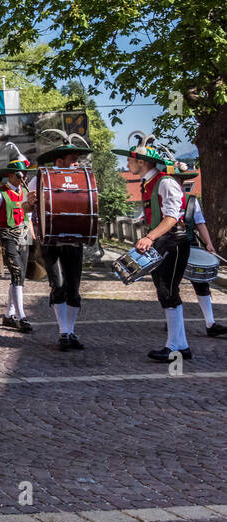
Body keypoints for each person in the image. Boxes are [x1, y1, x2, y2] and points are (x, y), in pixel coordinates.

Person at [113, 140, 194, 363]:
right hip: (164, 241)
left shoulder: (165, 182)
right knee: (164, 290)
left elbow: (172, 218)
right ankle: (181, 345)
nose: (127, 162)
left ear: (142, 162)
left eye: (130, 159)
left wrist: (150, 237)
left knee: (168, 290)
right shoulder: (149, 182)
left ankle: (174, 347)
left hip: (174, 241)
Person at [30, 142, 94, 351]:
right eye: (73, 159)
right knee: (58, 285)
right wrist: (29, 202)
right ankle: (63, 332)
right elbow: (24, 206)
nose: (77, 163)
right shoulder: (39, 179)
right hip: (50, 240)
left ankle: (71, 331)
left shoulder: (81, 180)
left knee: (74, 289)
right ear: (59, 161)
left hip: (74, 239)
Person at [0, 159, 35, 333]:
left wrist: (34, 238)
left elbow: (28, 216)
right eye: (21, 174)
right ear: (11, 175)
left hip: (24, 235)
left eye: (26, 174)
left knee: (19, 276)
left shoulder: (25, 194)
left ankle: (8, 314)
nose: (24, 177)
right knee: (17, 272)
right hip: (7, 236)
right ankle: (21, 317)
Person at [180, 168, 225, 337]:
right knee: (169, 285)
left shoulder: (192, 201)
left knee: (201, 282)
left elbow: (200, 224)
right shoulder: (161, 197)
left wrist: (209, 245)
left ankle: (210, 323)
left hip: (189, 244)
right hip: (168, 245)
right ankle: (172, 320)